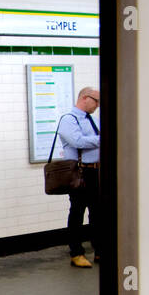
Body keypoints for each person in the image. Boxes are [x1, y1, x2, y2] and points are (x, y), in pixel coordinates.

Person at [56, 87, 101, 268]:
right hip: (79, 173)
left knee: (97, 213)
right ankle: (76, 252)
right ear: (84, 98)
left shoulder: (94, 121)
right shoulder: (68, 120)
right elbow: (77, 141)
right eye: (95, 101)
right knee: (77, 212)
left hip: (95, 171)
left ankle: (99, 250)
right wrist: (99, 139)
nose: (97, 105)